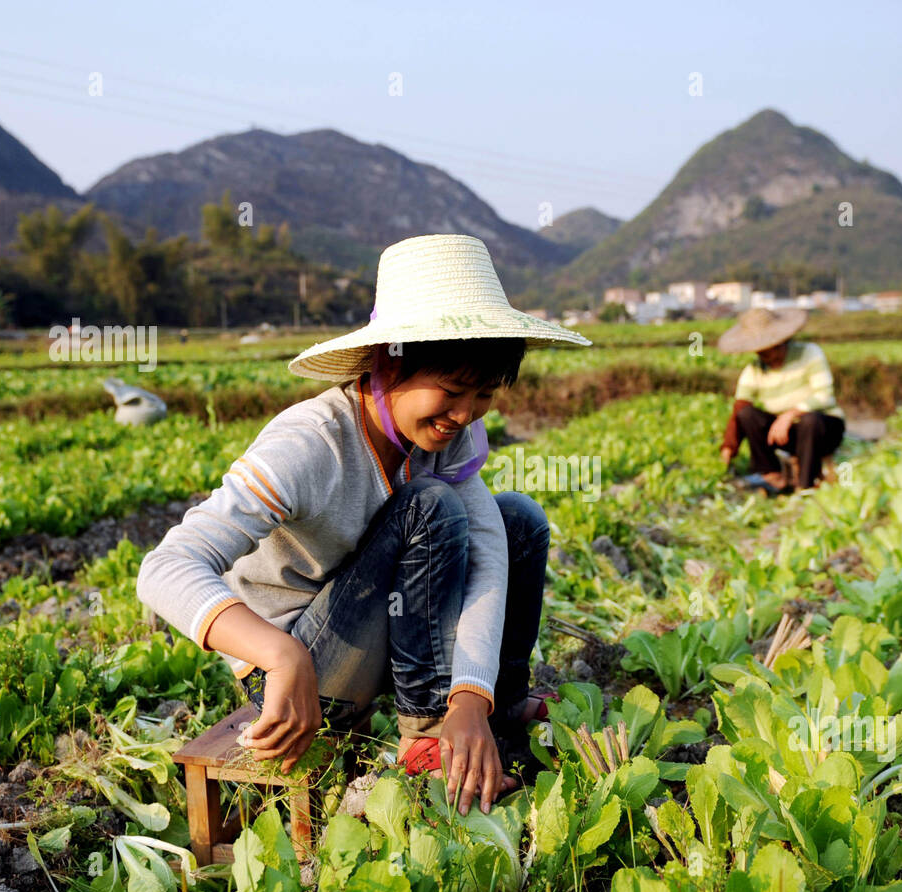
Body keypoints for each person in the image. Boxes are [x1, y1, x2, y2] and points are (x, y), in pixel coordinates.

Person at [135, 234, 592, 816]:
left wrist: (473, 698)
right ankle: (426, 735)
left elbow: (488, 549)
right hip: (303, 672)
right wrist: (280, 656)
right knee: (429, 506)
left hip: (381, 641)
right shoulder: (311, 446)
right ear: (389, 362)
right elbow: (165, 568)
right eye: (451, 391)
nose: (464, 414)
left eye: (481, 394)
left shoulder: (443, 438)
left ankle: (493, 707)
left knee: (518, 520)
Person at [717, 307, 845, 492]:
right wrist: (729, 447)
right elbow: (740, 408)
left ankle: (805, 483)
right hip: (786, 434)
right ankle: (772, 475)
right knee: (747, 415)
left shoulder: (809, 353)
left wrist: (790, 415)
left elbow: (825, 396)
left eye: (766, 350)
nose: (762, 354)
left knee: (810, 420)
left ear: (779, 342)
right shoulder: (754, 370)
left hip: (822, 429)